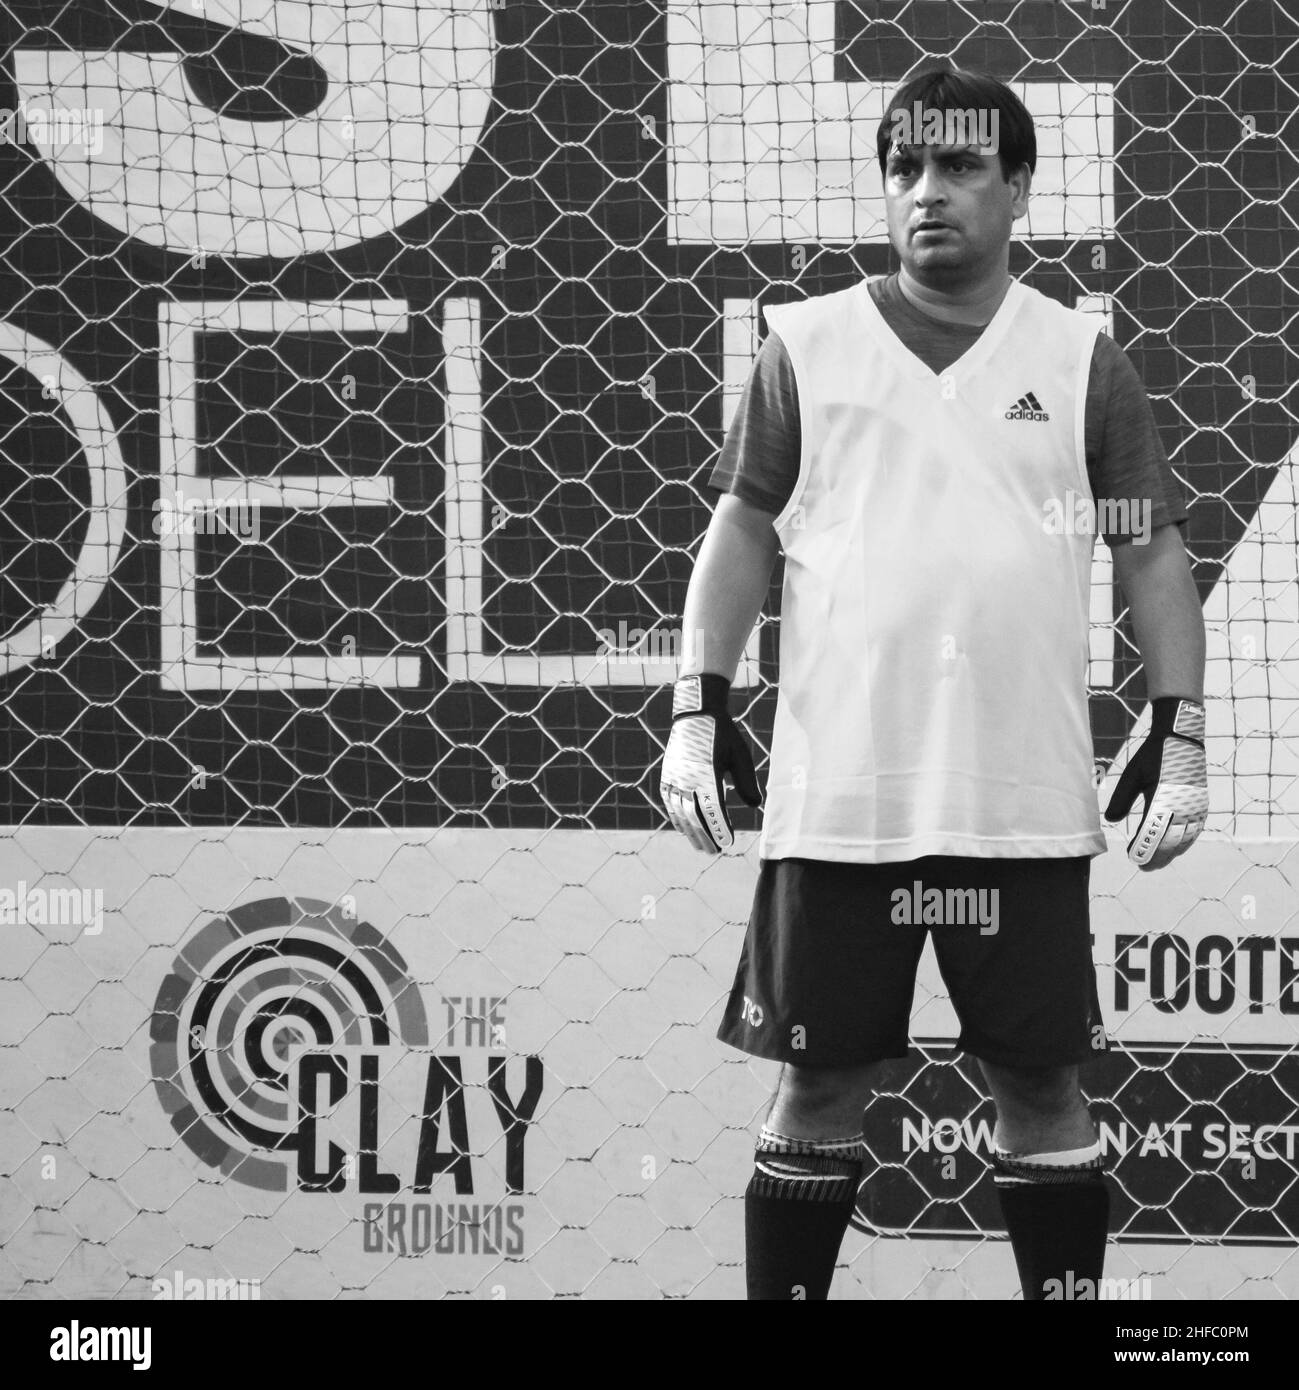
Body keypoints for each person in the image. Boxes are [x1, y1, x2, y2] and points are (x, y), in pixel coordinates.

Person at [659, 66, 1208, 1301]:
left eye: (959, 166)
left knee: (1041, 1085)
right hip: (841, 806)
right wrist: (698, 706)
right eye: (905, 167)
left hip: (1018, 805)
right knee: (816, 1085)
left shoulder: (1080, 359)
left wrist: (1177, 728)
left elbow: (1148, 547)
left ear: (1019, 186)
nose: (928, 192)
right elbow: (741, 530)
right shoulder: (806, 347)